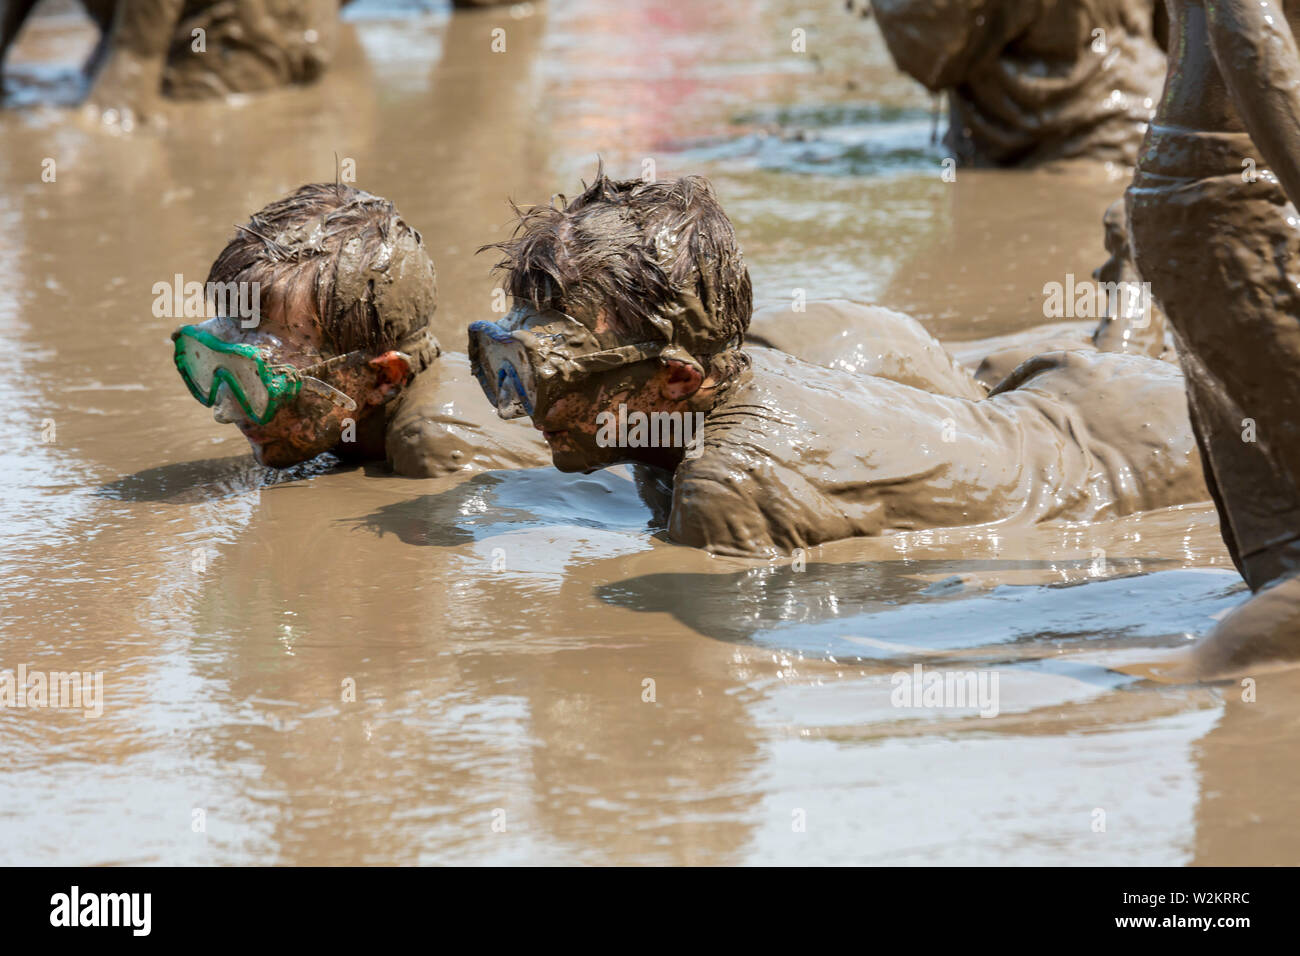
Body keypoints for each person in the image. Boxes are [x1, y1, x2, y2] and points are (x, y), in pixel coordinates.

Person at [468, 171, 1207, 557]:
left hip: (1136, 459)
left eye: (537, 373)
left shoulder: (728, 484)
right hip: (1075, 402)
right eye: (501, 355)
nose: (515, 398)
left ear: (675, 379)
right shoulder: (672, 421)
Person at [1127, 0, 1300, 673]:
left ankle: (1249, 751)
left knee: (1285, 552)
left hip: (1211, 202)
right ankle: (1175, 684)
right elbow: (1245, 26)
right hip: (1245, 201)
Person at [169, 182, 548, 477]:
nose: (227, 408)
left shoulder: (435, 446)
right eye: (216, 361)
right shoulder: (347, 421)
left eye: (260, 378)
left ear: (384, 378)